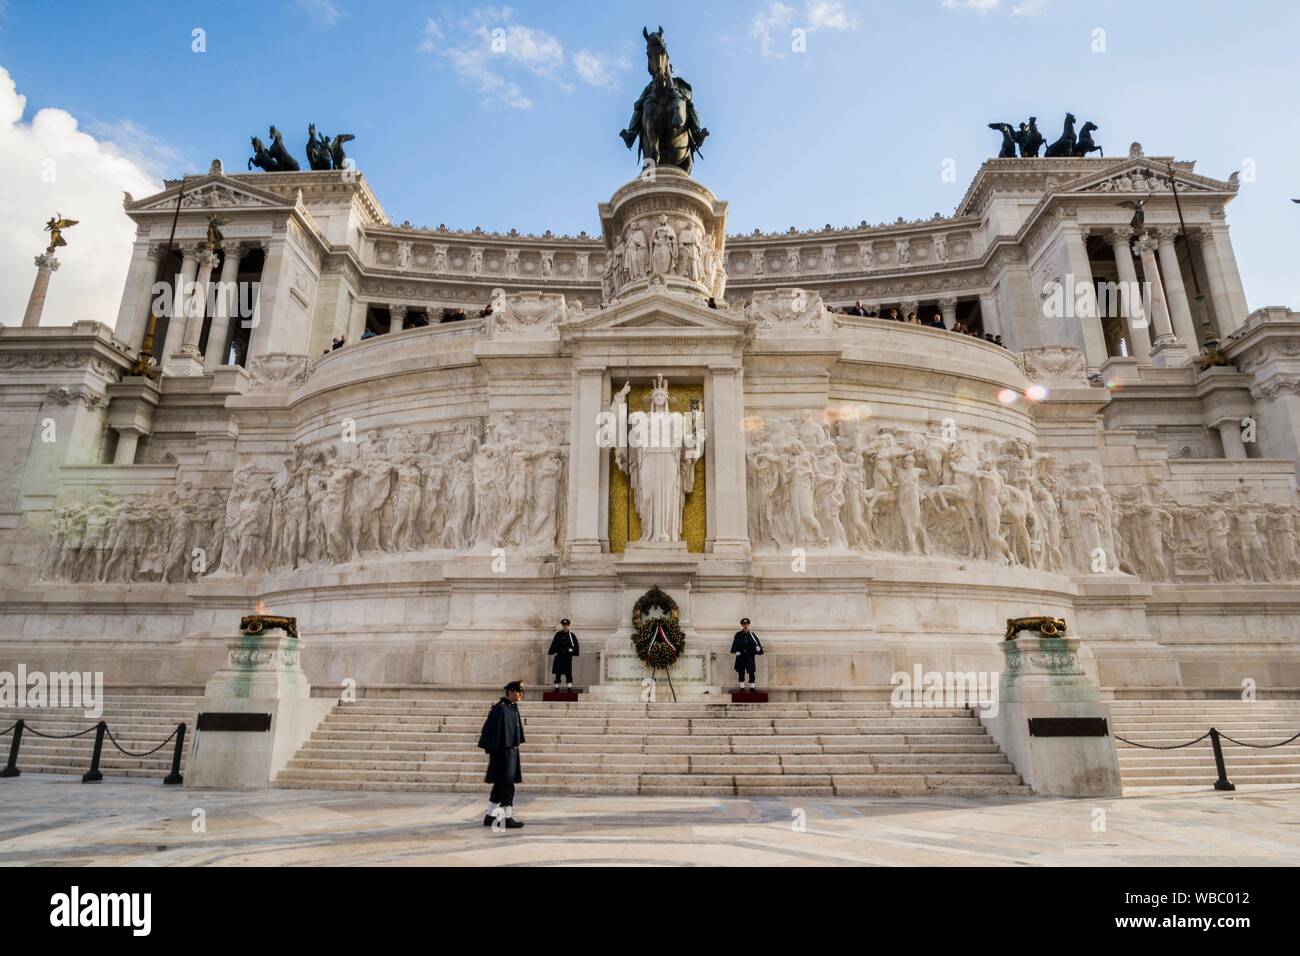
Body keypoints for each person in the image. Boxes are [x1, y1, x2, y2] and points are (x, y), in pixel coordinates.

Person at [479, 680, 527, 829]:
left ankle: (490, 815)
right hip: (502, 753)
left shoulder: (512, 708)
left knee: (500, 786)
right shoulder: (500, 709)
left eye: (521, 692)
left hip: (511, 751)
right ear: (511, 691)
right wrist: (494, 752)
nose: (520, 694)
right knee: (507, 785)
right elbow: (489, 731)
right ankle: (507, 817)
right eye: (518, 692)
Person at [730, 618, 765, 691]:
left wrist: (758, 649)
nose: (745, 625)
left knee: (751, 672)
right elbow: (734, 645)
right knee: (741, 672)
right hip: (741, 657)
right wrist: (735, 651)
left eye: (747, 624)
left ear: (749, 625)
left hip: (750, 657)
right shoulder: (738, 635)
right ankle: (742, 688)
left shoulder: (752, 635)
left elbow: (757, 645)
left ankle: (752, 687)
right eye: (744, 624)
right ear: (742, 625)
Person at [547, 619, 579, 691]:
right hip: (559, 656)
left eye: (566, 625)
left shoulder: (571, 635)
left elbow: (575, 645)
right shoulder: (558, 634)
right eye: (564, 625)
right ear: (562, 626)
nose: (565, 627)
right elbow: (554, 643)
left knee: (568, 672)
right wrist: (554, 651)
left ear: (568, 626)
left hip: (567, 657)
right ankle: (557, 687)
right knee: (558, 672)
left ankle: (569, 687)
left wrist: (571, 650)